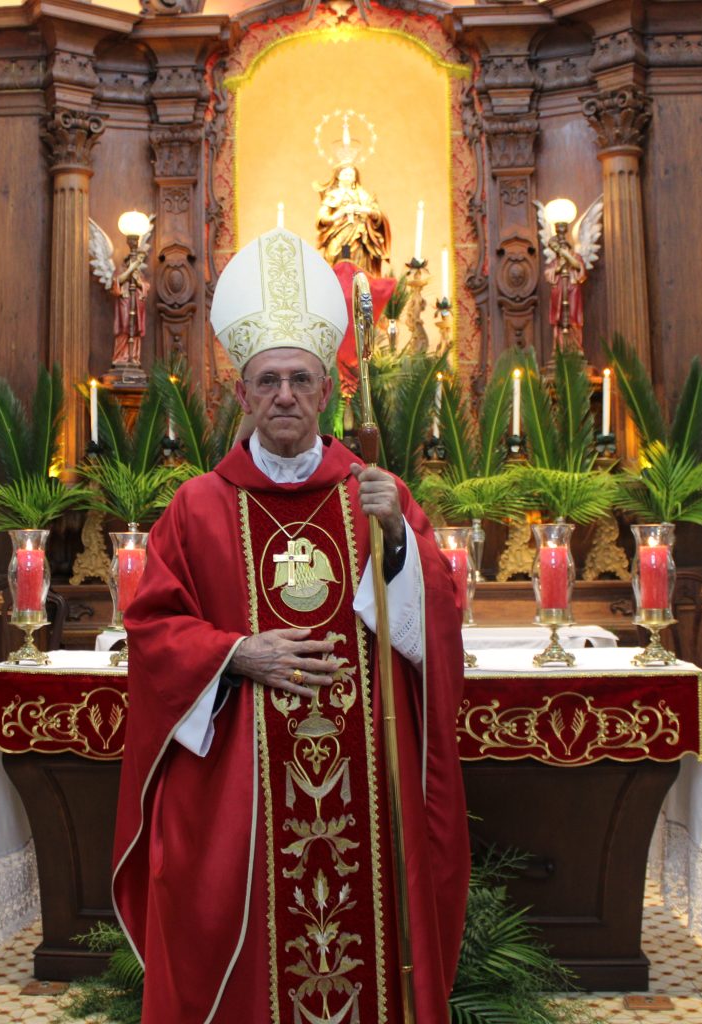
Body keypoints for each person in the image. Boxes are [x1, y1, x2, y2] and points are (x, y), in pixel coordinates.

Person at [112, 227, 468, 1024]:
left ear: (325, 391)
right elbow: (154, 631)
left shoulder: (376, 494)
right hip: (238, 783)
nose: (284, 396)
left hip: (364, 781)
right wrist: (237, 653)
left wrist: (402, 543)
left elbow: (437, 630)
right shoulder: (198, 508)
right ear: (242, 395)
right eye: (267, 380)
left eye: (300, 380)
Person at [316, 164, 391, 276]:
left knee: (358, 269)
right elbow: (322, 219)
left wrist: (365, 210)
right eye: (345, 173)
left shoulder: (364, 196)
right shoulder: (332, 196)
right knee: (335, 266)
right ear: (338, 176)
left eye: (351, 174)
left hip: (359, 237)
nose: (349, 176)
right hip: (338, 236)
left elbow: (378, 215)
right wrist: (339, 214)